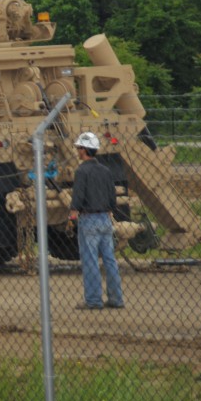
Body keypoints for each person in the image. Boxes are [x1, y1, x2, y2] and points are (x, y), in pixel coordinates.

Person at [70, 132, 125, 310]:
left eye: (79, 148)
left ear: (84, 150)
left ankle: (93, 300)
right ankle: (116, 299)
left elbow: (78, 196)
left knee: (91, 260)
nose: (78, 151)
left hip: (89, 219)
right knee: (109, 260)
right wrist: (108, 211)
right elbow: (112, 198)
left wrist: (72, 215)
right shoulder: (106, 170)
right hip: (105, 218)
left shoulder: (81, 171)